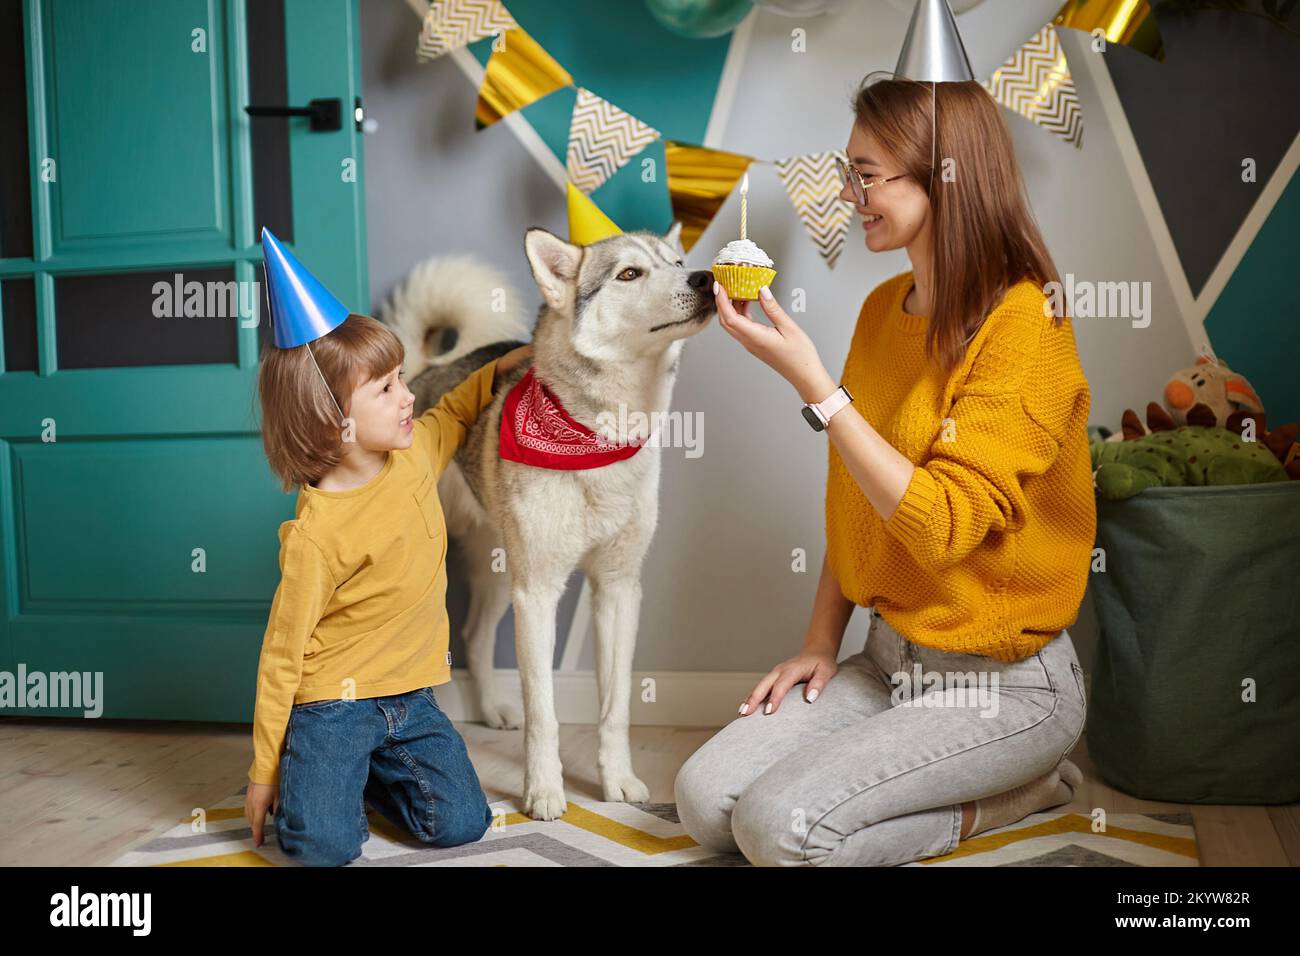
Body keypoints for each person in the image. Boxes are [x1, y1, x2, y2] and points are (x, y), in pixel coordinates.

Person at [673, 74, 1094, 866]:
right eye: (848, 172)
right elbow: (861, 501)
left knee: (776, 829)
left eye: (867, 175)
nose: (849, 194)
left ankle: (1016, 793)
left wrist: (815, 388)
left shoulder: (1026, 327)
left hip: (1007, 686)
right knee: (704, 801)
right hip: (887, 657)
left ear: (945, 176)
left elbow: (938, 528)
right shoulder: (881, 310)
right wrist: (819, 642)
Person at [240, 229, 531, 865]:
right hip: (332, 707)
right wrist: (264, 772)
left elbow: (453, 409)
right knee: (323, 846)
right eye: (388, 389)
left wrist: (499, 369)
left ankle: (366, 777)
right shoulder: (316, 535)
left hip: (411, 698)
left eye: (402, 380)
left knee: (462, 823)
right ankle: (314, 775)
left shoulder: (417, 451)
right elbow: (282, 656)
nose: (409, 396)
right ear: (331, 421)